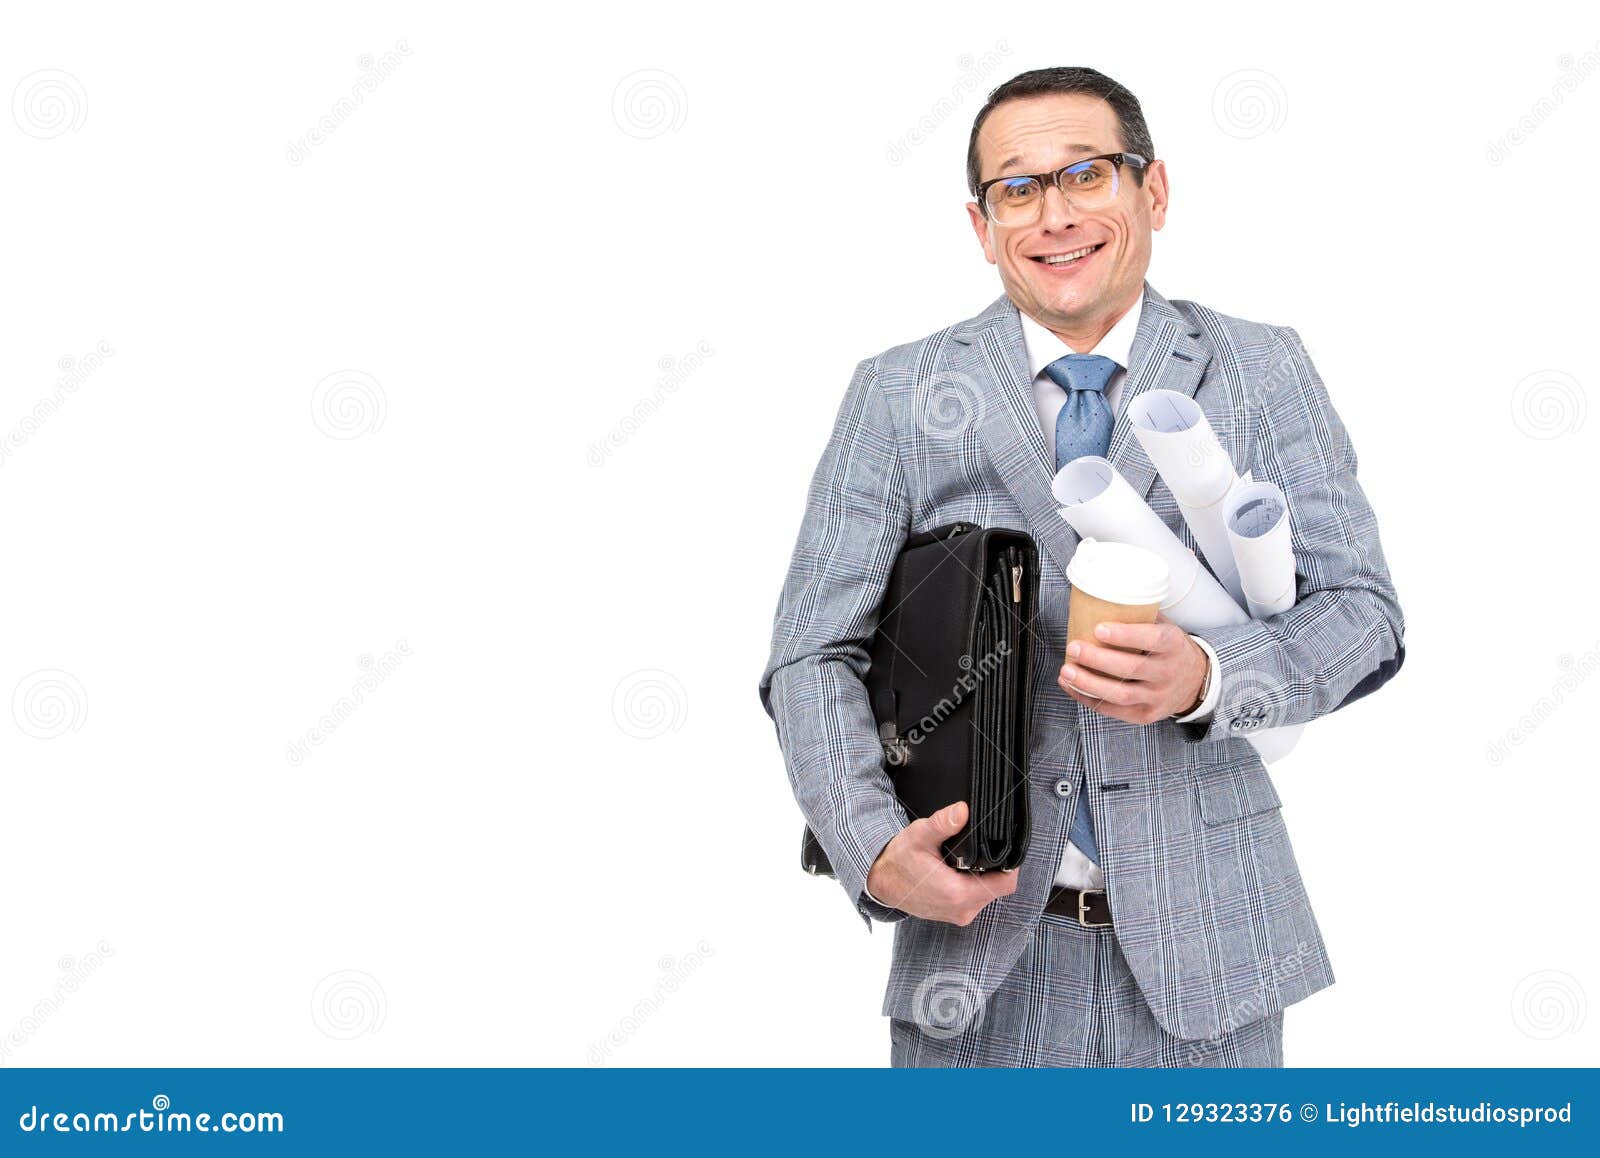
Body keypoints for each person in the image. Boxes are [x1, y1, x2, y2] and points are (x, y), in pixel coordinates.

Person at [758, 66, 1405, 1067]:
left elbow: (1361, 612)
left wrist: (1210, 676)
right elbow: (813, 653)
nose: (1053, 215)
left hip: (1213, 962)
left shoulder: (1261, 368)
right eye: (1017, 189)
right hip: (974, 961)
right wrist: (873, 848)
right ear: (982, 227)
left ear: (1153, 191)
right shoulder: (900, 392)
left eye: (1086, 174)